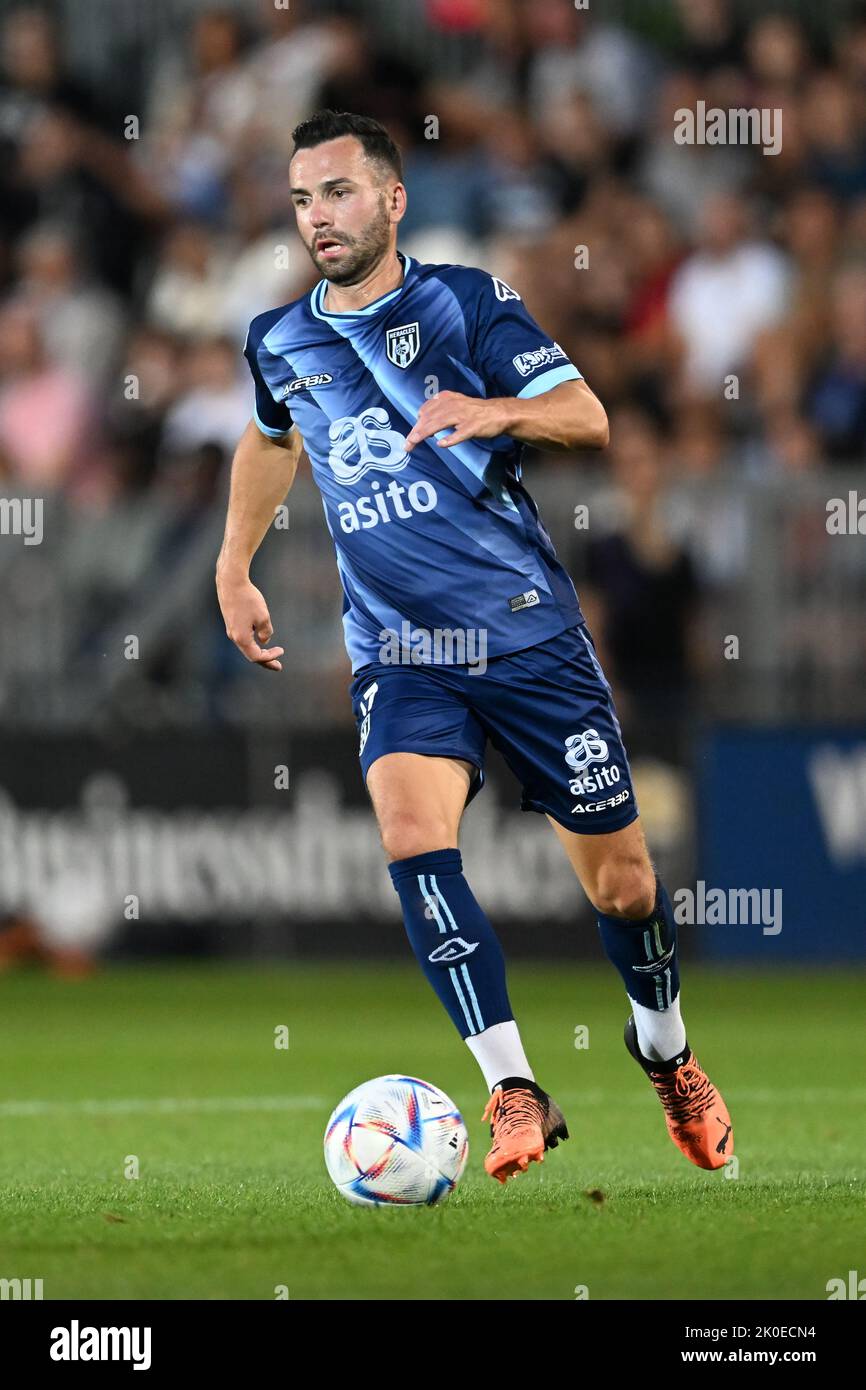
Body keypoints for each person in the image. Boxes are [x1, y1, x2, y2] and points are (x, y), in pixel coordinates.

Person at [216, 110, 733, 1185]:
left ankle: (664, 1050)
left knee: (625, 888)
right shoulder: (279, 338)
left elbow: (584, 414)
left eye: (341, 193)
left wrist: (492, 411)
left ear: (392, 199)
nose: (319, 216)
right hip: (400, 650)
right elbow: (271, 439)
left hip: (529, 637)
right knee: (410, 834)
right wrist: (234, 564)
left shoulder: (464, 300)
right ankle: (510, 1084)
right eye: (304, 198)